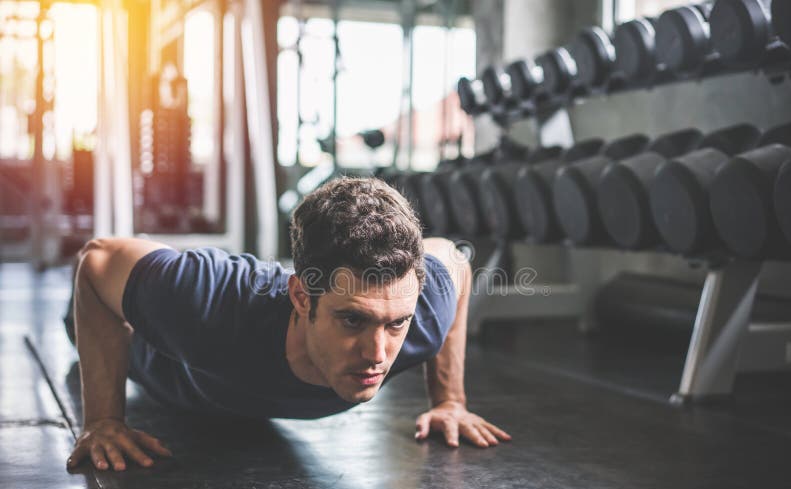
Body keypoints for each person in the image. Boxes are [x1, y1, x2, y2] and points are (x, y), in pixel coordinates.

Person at [66, 177, 511, 472]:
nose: (377, 353)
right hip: (148, 356)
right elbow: (97, 260)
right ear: (301, 297)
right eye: (353, 319)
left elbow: (455, 262)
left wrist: (450, 400)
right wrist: (103, 420)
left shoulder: (422, 312)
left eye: (396, 324)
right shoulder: (207, 302)